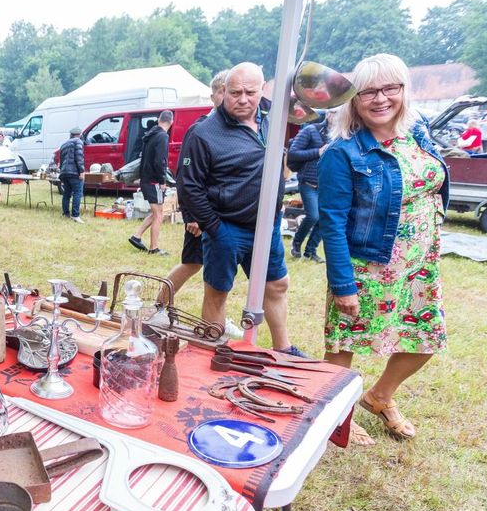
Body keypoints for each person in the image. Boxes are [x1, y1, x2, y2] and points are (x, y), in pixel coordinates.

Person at [318, 53, 448, 446]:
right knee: (345, 344)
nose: (380, 99)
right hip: (367, 264)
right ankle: (335, 416)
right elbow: (332, 222)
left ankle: (380, 396)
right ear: (353, 100)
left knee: (425, 338)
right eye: (368, 91)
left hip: (419, 263)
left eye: (390, 88)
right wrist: (343, 284)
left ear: (405, 91)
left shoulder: (418, 133)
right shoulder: (343, 153)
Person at [179, 62, 306, 357]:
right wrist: (215, 229)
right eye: (235, 92)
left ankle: (283, 348)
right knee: (217, 290)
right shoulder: (204, 134)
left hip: (267, 225)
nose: (243, 99)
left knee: (276, 285)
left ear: (262, 90)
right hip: (226, 226)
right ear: (223, 92)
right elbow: (189, 187)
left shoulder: (270, 120)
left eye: (250, 92)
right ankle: (211, 351)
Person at [166, 70, 228, 303]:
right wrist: (191, 215)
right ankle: (159, 305)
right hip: (202, 213)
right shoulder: (201, 128)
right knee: (192, 263)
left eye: (227, 91)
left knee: (217, 267)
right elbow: (186, 174)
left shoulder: (235, 128)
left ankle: (215, 311)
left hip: (224, 213)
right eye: (221, 91)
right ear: (213, 96)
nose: (225, 96)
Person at [286, 113, 331, 263]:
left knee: (324, 219)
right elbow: (293, 153)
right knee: (313, 215)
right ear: (330, 114)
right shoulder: (311, 130)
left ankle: (310, 251)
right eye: (336, 113)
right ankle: (296, 242)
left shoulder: (341, 134)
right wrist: (318, 152)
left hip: (327, 185)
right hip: (308, 182)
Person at [127, 110, 173, 255]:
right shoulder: (162, 136)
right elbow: (160, 161)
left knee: (155, 212)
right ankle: (154, 248)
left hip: (146, 179)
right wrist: (162, 181)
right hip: (154, 181)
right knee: (159, 214)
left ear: (159, 120)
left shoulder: (150, 135)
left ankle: (136, 236)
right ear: (171, 122)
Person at [57, 126, 85, 223]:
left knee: (67, 193)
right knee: (78, 193)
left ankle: (66, 213)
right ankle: (75, 215)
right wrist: (81, 171)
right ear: (79, 134)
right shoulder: (78, 141)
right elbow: (79, 157)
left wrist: (61, 173)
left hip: (64, 172)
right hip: (74, 172)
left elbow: (60, 160)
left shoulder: (63, 144)